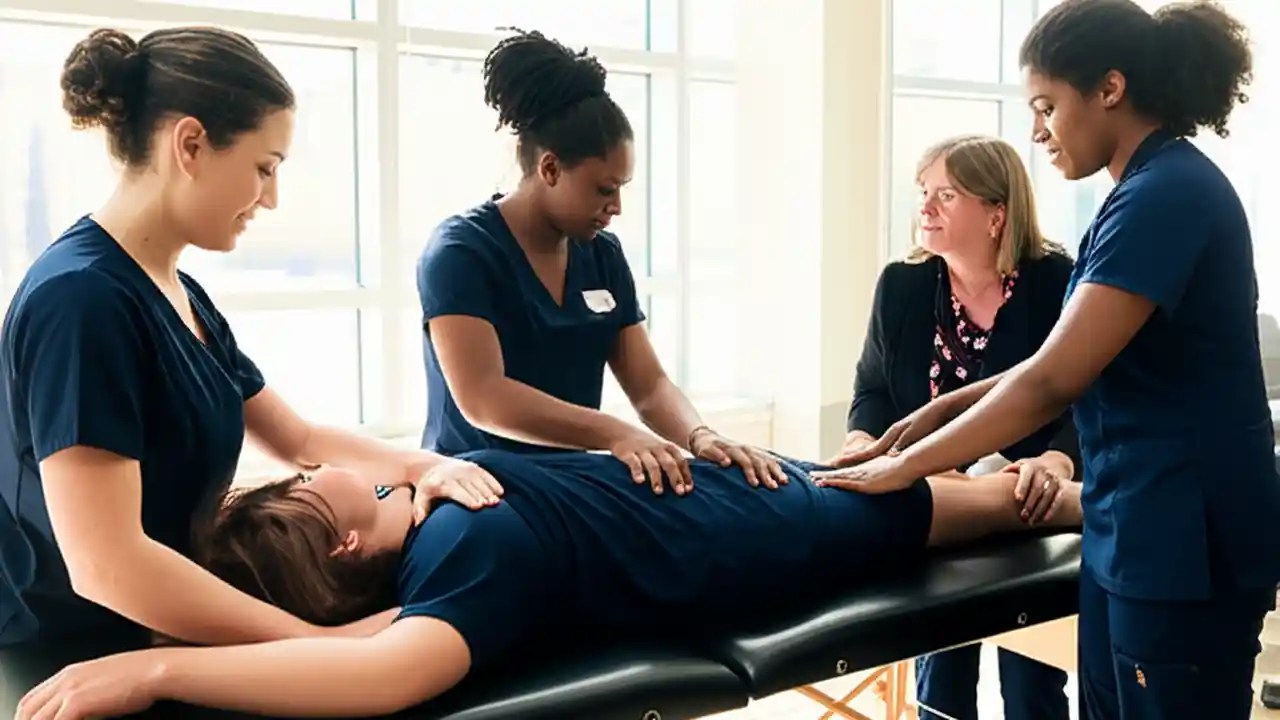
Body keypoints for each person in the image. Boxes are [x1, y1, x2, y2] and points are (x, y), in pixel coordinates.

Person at [0, 25, 499, 709]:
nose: (270, 198)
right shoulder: (81, 302)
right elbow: (105, 565)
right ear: (191, 145)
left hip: (165, 630)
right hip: (77, 648)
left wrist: (425, 468)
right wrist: (308, 642)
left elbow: (298, 441)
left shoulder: (176, 291)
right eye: (266, 167)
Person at [813, 1, 1280, 718]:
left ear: (1110, 90)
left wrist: (904, 467)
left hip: (1186, 540)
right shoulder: (1133, 195)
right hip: (1127, 528)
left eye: (1046, 106)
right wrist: (920, 424)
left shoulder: (1169, 196)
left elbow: (1054, 377)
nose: (1037, 130)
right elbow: (1057, 361)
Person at [13, 447, 1085, 719]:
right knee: (982, 507)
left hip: (735, 489)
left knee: (952, 480)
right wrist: (156, 672)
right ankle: (1064, 486)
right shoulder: (469, 561)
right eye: (305, 481)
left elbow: (363, 637)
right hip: (778, 530)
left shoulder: (432, 520)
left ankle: (1028, 474)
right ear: (342, 542)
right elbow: (388, 671)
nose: (311, 466)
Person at [416, 29, 785, 495]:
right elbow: (484, 398)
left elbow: (649, 387)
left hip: (573, 483)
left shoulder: (601, 255)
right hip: (481, 486)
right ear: (550, 168)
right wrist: (615, 433)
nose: (616, 208)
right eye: (603, 189)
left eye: (621, 190)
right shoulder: (460, 252)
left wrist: (699, 435)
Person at [833, 134, 1077, 720]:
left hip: (1030, 502)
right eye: (923, 192)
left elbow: (1085, 395)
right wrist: (863, 439)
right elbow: (873, 388)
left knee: (1031, 683)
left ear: (997, 213)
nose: (925, 207)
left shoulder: (1056, 283)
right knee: (939, 677)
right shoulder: (902, 285)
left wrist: (1059, 460)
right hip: (937, 498)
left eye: (946, 194)